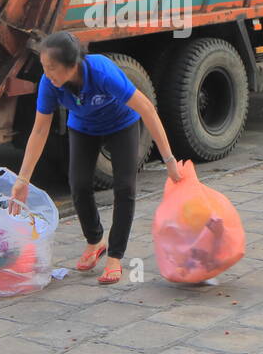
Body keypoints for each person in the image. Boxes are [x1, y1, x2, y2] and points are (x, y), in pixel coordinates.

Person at [13, 31, 183, 285]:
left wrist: (169, 161)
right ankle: (95, 241)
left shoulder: (103, 72)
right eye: (44, 68)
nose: (47, 74)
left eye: (52, 68)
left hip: (121, 124)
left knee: (124, 186)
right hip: (83, 128)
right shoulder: (49, 84)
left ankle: (115, 255)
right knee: (79, 185)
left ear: (72, 65)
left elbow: (146, 108)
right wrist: (23, 179)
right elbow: (39, 130)